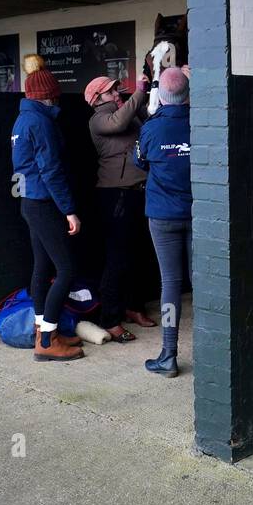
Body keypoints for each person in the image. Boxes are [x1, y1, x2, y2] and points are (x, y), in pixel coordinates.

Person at [12, 57, 84, 362]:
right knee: (67, 269)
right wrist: (69, 209)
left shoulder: (21, 120)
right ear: (49, 95)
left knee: (41, 268)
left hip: (29, 202)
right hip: (43, 203)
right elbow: (51, 170)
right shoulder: (41, 123)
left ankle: (45, 330)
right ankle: (46, 341)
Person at [86, 74, 159, 342]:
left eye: (117, 88)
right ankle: (110, 319)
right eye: (110, 91)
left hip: (140, 192)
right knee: (117, 258)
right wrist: (138, 93)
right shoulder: (98, 120)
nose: (116, 93)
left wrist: (143, 96)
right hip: (115, 195)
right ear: (96, 100)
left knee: (139, 254)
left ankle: (134, 307)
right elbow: (119, 123)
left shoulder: (126, 111)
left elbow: (147, 121)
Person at [135, 67, 192, 377]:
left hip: (162, 215)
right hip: (198, 214)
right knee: (203, 283)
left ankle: (168, 355)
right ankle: (216, 355)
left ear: (162, 95)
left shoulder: (151, 128)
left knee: (170, 284)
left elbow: (139, 161)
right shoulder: (201, 121)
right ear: (187, 95)